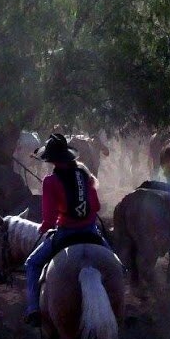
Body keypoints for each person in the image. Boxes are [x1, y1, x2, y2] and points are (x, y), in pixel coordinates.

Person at [24, 133, 109, 326]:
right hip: (91, 231)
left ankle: (32, 309)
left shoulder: (50, 181)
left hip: (66, 233)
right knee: (115, 262)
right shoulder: (86, 175)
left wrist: (44, 228)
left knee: (32, 264)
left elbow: (49, 219)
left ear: (51, 159)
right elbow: (96, 206)